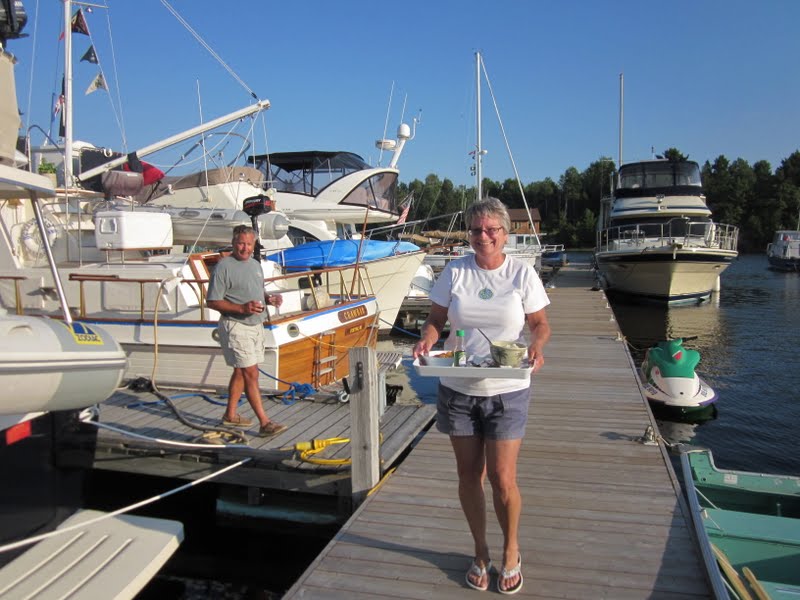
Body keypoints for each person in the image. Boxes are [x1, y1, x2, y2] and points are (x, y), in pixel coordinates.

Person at [412, 198, 551, 594]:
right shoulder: (455, 271)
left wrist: (537, 347)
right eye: (476, 230)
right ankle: (480, 551)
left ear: (506, 234)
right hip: (458, 387)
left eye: (492, 229)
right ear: (469, 234)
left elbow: (540, 324)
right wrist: (427, 338)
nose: (484, 236)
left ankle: (511, 551)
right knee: (469, 476)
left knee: (503, 480)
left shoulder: (521, 274)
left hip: (508, 388)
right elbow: (436, 321)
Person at [207, 225, 287, 438]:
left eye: (249, 244)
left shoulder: (255, 265)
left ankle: (230, 415)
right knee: (251, 373)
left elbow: (257, 291)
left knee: (241, 372)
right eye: (241, 243)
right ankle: (265, 422)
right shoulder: (223, 267)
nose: (245, 248)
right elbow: (213, 301)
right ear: (234, 243)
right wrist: (242, 309)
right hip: (235, 325)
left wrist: (269, 299)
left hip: (256, 325)